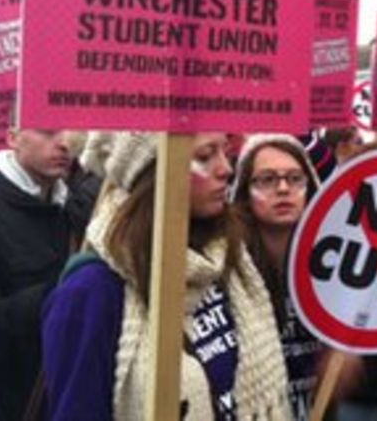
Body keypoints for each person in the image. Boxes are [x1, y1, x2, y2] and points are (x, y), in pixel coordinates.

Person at [42, 132, 290, 420]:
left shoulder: (226, 260)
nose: (226, 169)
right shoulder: (89, 294)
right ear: (155, 175)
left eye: (225, 151)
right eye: (204, 156)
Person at [0, 127, 73, 421]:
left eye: (70, 130)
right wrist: (55, 294)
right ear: (13, 138)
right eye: (48, 131)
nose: (65, 143)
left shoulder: (75, 208)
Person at [230, 134, 323, 420]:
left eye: (295, 178)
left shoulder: (331, 267)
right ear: (245, 190)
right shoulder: (230, 271)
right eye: (267, 180)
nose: (283, 188)